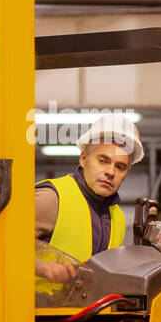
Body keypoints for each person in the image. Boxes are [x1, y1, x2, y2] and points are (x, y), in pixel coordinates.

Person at [35, 114, 144, 282]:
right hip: (38, 307)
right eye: (103, 161)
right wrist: (40, 266)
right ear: (84, 159)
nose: (111, 172)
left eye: (120, 166)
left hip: (90, 308)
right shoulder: (52, 199)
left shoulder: (118, 218)